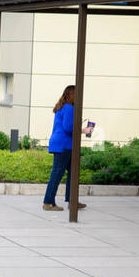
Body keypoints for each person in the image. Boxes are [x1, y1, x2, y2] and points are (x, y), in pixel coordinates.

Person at [44, 84, 87, 212]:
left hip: (61, 144)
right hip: (64, 145)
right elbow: (68, 128)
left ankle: (72, 200)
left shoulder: (61, 107)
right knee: (57, 174)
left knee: (72, 173)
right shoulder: (69, 108)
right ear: (73, 95)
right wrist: (83, 130)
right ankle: (47, 202)